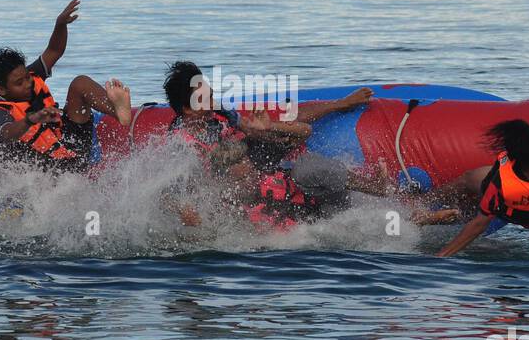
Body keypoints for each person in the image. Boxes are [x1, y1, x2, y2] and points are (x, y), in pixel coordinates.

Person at [161, 60, 382, 226]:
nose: (212, 102)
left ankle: (377, 188)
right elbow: (165, 192)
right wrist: (184, 210)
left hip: (266, 172)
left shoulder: (221, 115)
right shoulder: (181, 144)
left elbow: (299, 130)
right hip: (251, 204)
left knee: (308, 164)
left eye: (211, 95)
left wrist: (266, 128)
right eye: (205, 99)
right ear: (187, 109)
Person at [0, 0, 133, 170]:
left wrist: (60, 24)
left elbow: (54, 50)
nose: (28, 83)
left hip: (73, 146)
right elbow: (7, 133)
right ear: (1, 89)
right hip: (45, 168)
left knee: (80, 83)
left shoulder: (30, 77)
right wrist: (31, 119)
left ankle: (119, 112)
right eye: (19, 83)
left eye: (27, 78)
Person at [435, 119, 529, 257]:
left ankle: (426, 203)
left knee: (468, 179)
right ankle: (455, 211)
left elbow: (479, 224)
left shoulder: (500, 182)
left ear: (511, 155)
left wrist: (441, 255)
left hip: (511, 214)